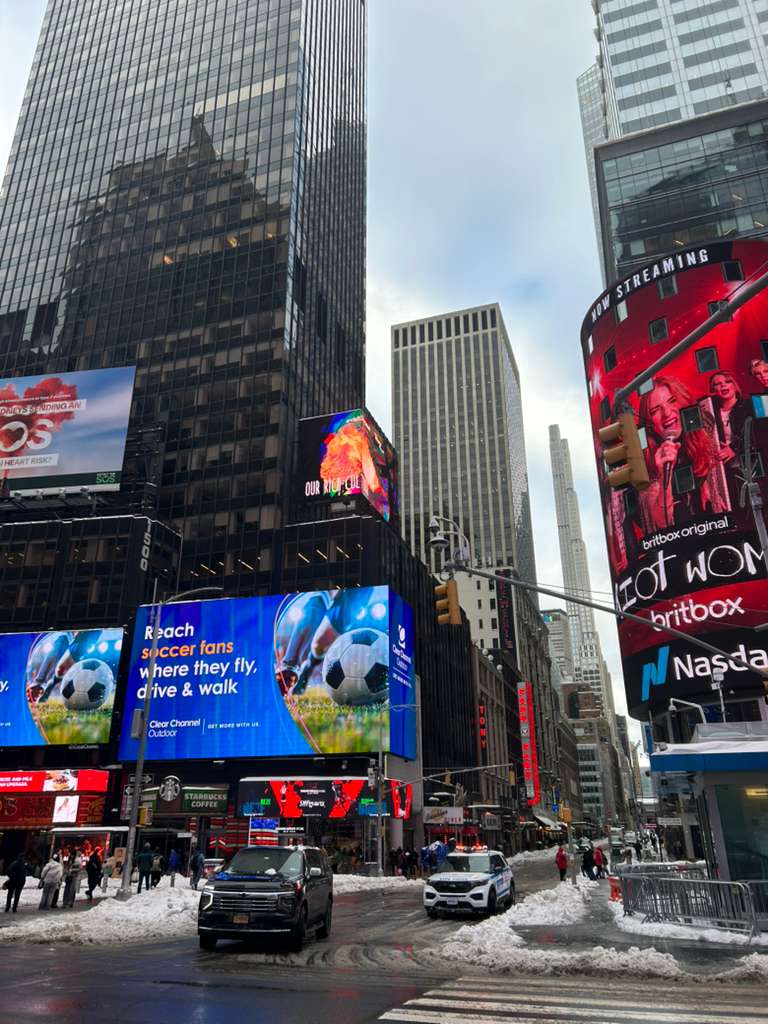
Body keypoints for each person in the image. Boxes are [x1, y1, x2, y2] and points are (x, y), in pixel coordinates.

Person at [637, 376, 723, 532]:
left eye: (671, 401)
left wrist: (706, 486)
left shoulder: (704, 424)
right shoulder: (648, 457)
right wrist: (665, 475)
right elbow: (662, 521)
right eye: (655, 410)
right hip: (681, 536)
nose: (667, 413)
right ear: (649, 423)